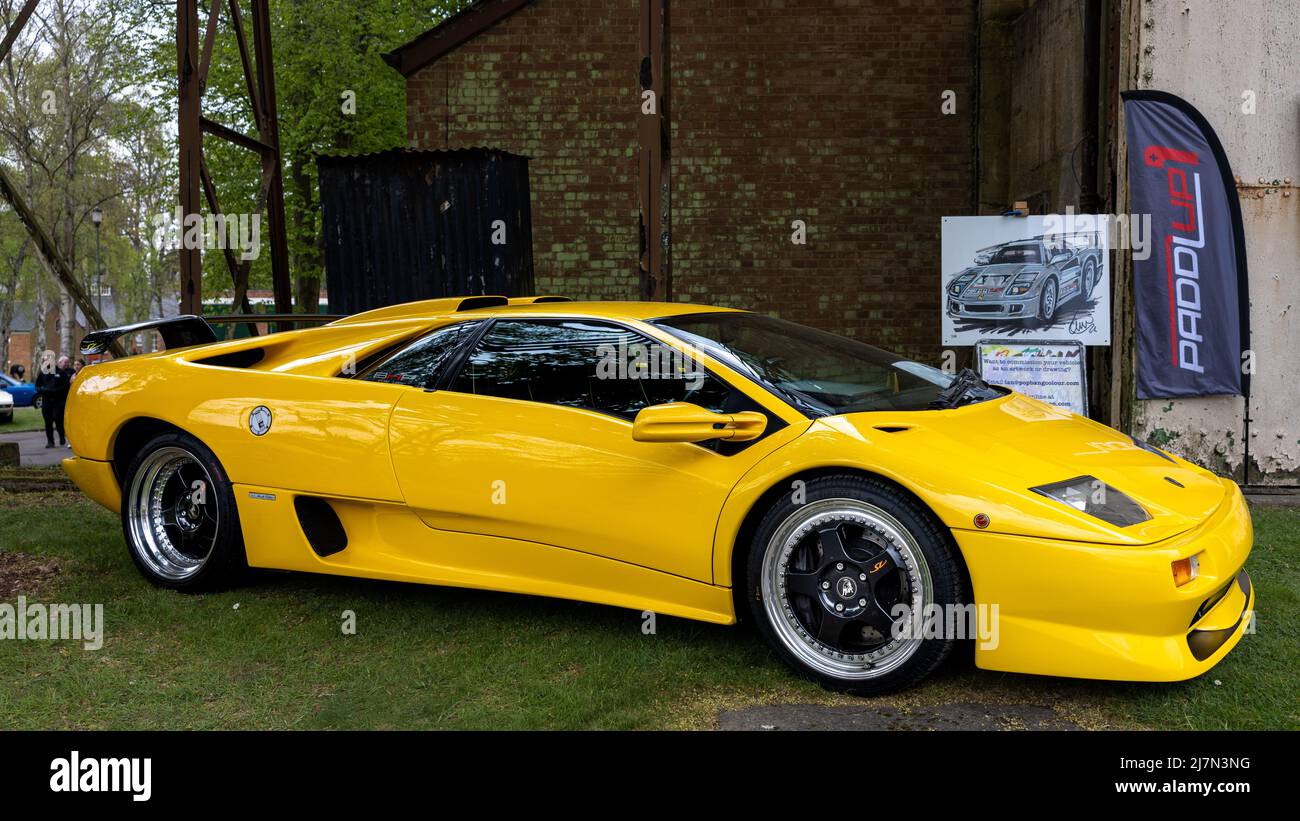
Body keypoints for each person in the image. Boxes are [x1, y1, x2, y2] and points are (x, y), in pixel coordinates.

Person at [35, 355, 73, 449]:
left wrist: (55, 391)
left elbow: (65, 386)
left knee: (58, 419)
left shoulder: (60, 373)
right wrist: (42, 390)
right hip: (46, 402)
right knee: (48, 422)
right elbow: (37, 386)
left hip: (58, 402)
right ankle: (50, 442)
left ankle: (61, 435)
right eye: (44, 361)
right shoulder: (42, 373)